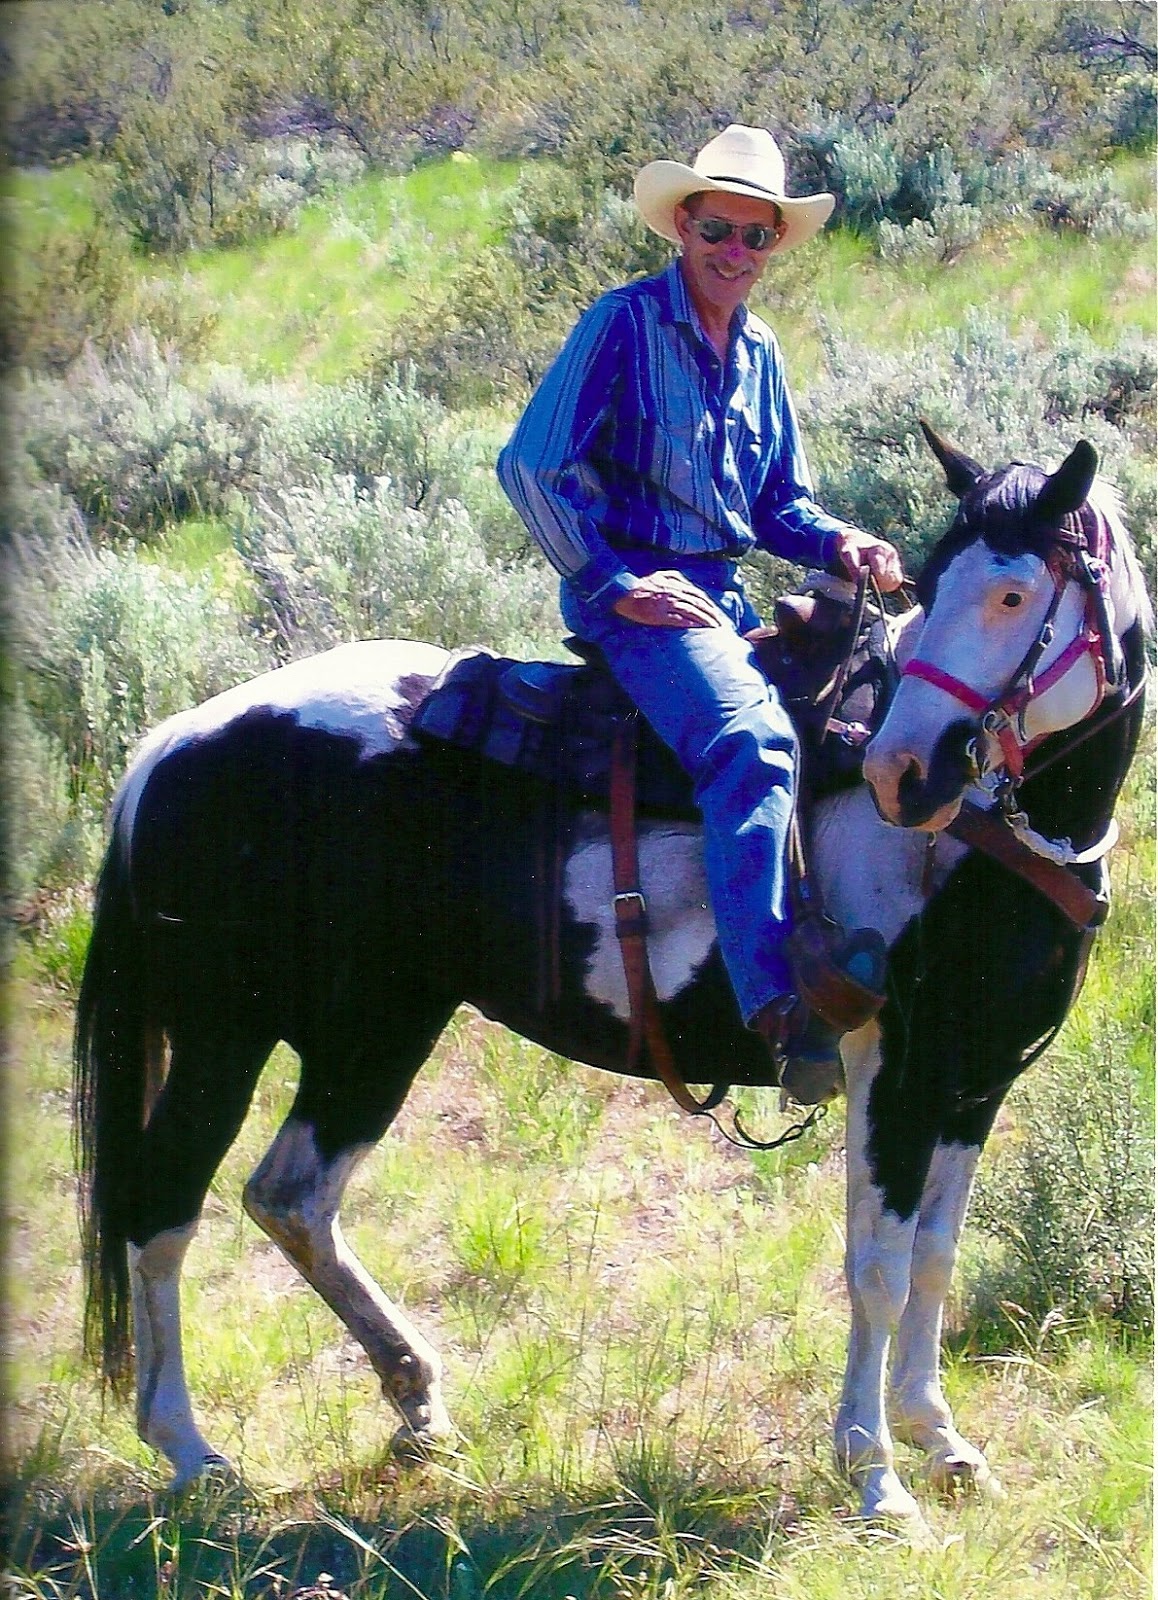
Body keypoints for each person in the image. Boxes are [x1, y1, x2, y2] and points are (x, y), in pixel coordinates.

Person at [497, 124, 903, 1103]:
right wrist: (612, 585)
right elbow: (531, 463)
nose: (735, 252)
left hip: (719, 592)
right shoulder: (623, 323)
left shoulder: (761, 355)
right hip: (639, 589)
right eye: (718, 228)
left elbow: (778, 505)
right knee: (752, 746)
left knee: (862, 716)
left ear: (774, 245)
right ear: (684, 223)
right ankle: (773, 1004)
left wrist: (842, 541)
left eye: (755, 237)